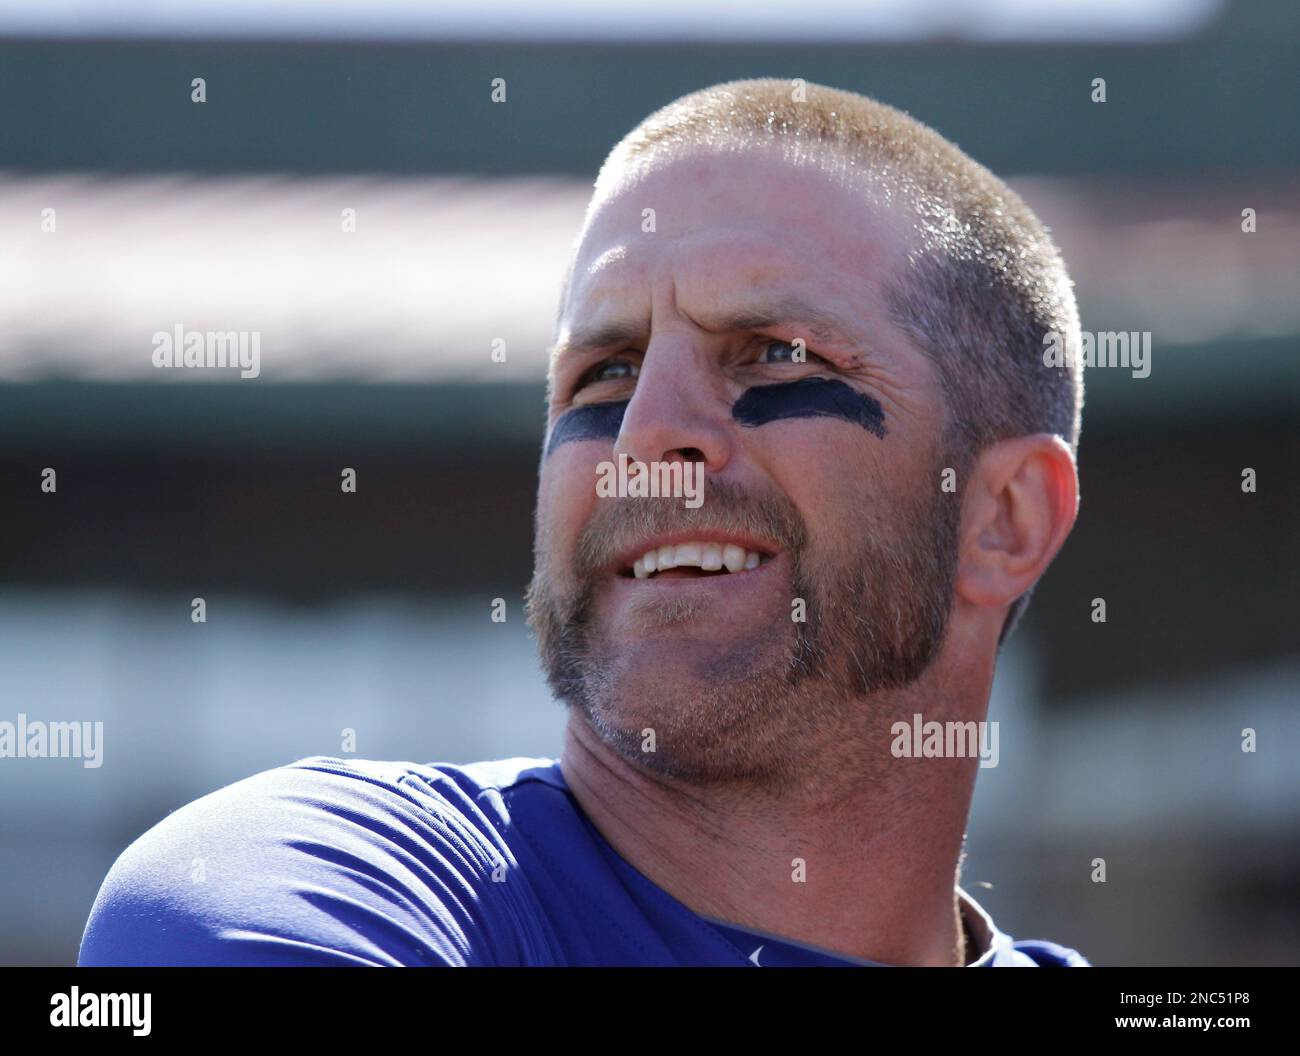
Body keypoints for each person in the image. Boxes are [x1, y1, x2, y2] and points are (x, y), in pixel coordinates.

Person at [79, 78, 1087, 967]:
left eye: (776, 354)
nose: (645, 437)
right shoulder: (315, 891)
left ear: (1003, 519)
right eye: (603, 373)